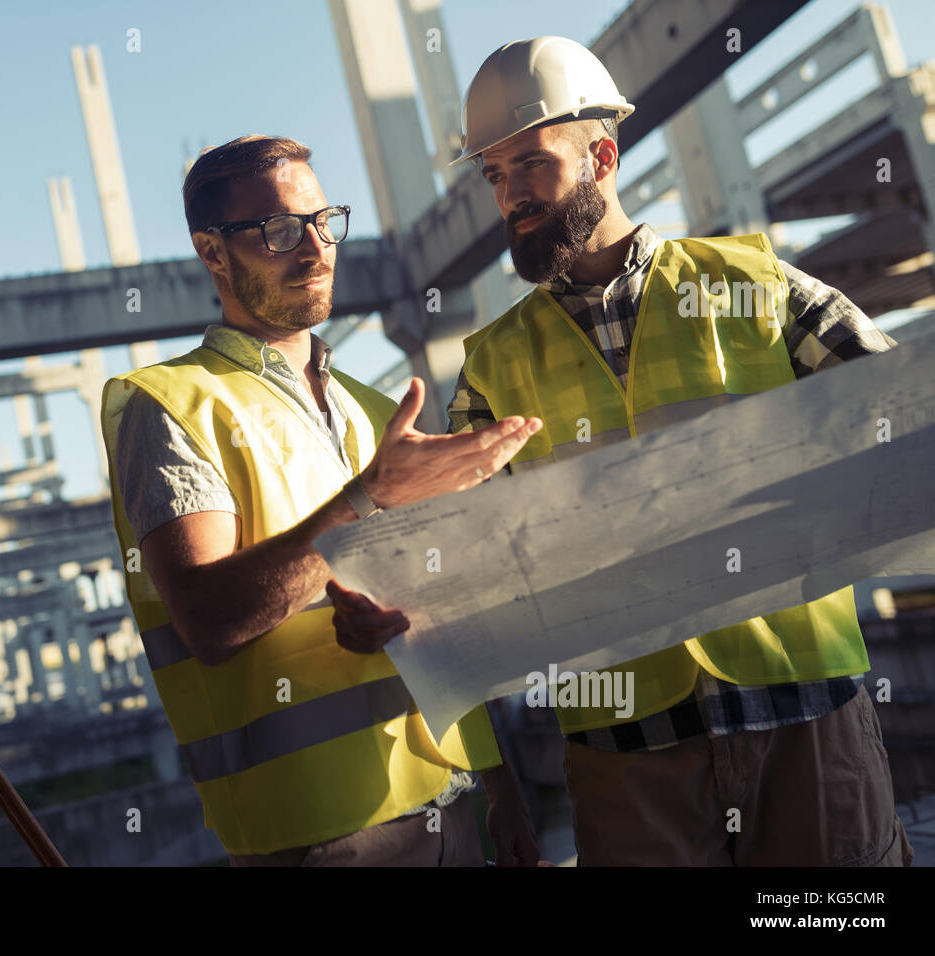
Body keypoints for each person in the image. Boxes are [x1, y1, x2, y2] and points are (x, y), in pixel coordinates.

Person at [330, 36, 914, 866]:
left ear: (600, 155)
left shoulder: (750, 285)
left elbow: (907, 420)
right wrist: (390, 597)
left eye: (529, 165)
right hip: (627, 749)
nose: (509, 198)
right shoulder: (493, 364)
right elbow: (454, 559)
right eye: (494, 176)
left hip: (804, 716)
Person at [98, 134, 544, 865]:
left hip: (454, 803)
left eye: (323, 220)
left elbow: (442, 617)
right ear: (213, 253)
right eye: (277, 230)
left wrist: (501, 783)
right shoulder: (172, 405)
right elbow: (210, 620)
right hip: (319, 833)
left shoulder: (374, 411)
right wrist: (368, 499)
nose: (314, 248)